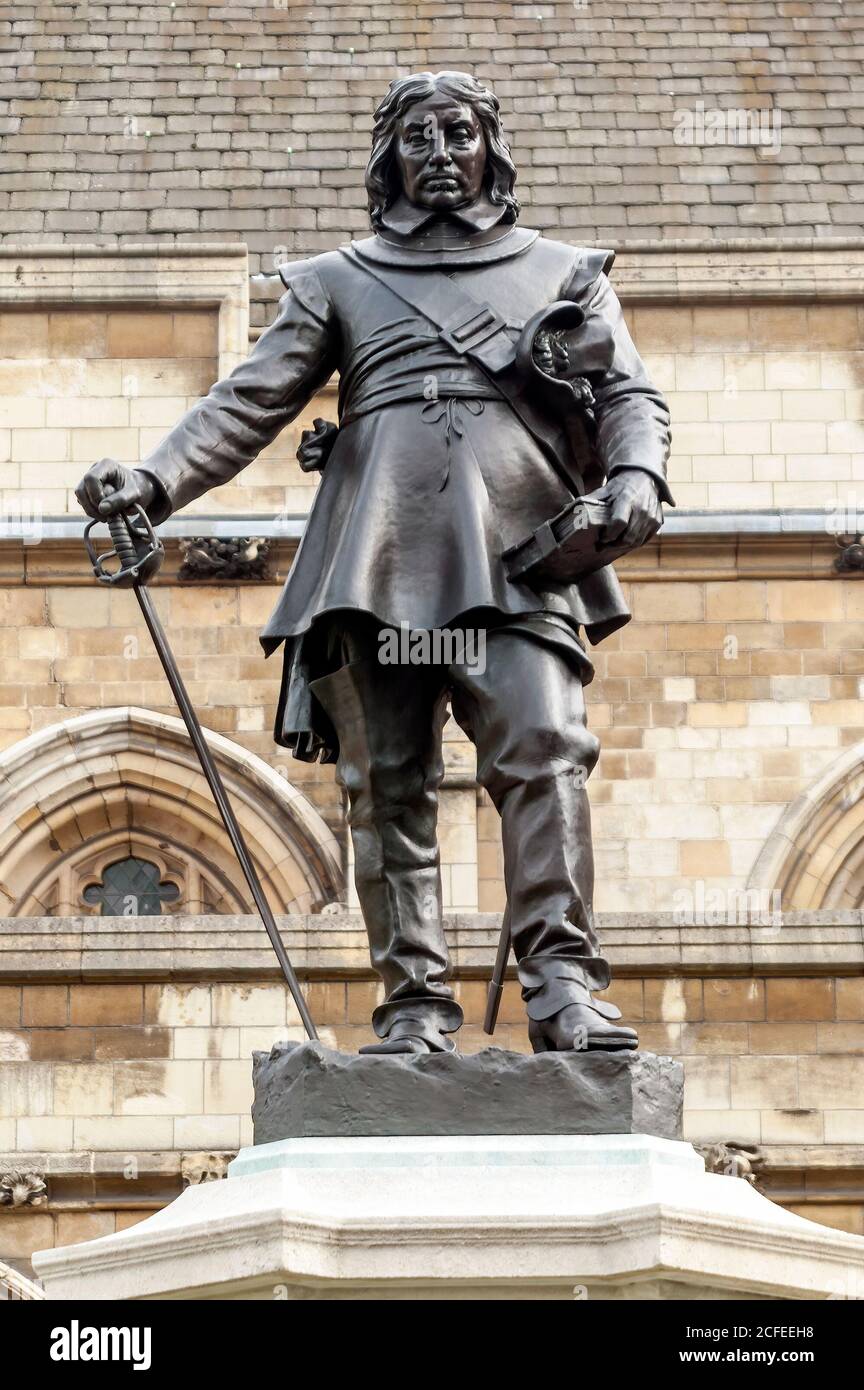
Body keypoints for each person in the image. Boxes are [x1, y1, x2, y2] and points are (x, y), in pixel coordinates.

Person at [76, 70, 672, 1056]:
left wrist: (641, 474)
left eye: (459, 132)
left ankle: (563, 984)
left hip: (519, 549)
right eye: (418, 137)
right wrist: (154, 479)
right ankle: (412, 1008)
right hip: (376, 554)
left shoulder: (568, 272)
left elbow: (630, 397)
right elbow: (246, 402)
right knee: (385, 782)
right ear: (388, 159)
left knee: (544, 747)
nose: (440, 152)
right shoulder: (339, 279)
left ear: (492, 147)